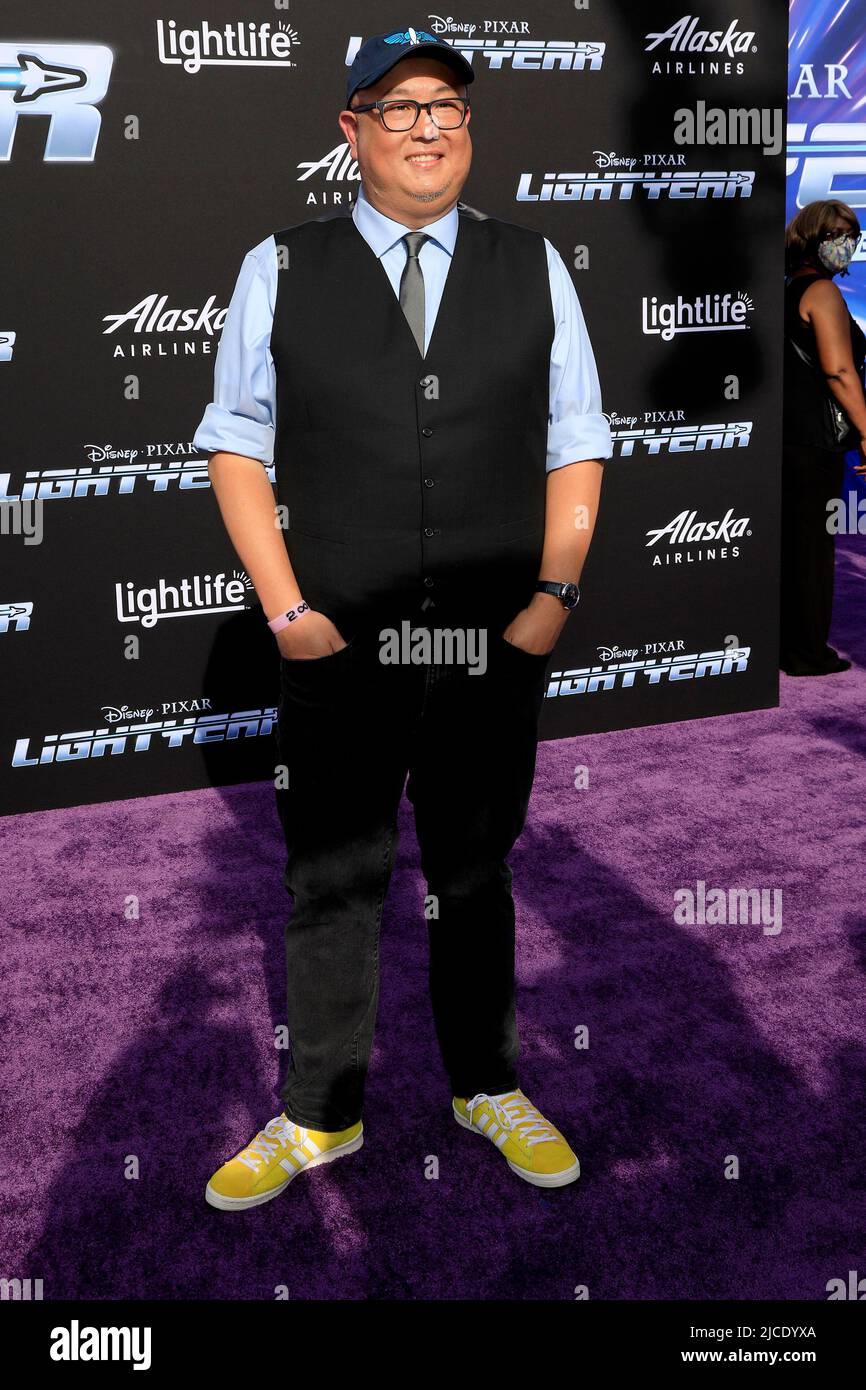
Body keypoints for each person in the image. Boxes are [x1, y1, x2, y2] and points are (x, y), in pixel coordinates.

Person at [193, 24, 612, 1208]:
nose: (429, 126)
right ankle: (318, 1112)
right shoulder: (278, 263)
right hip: (339, 644)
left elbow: (575, 441)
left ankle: (487, 1085)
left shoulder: (532, 264)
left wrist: (549, 600)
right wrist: (287, 612)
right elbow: (235, 445)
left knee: (474, 872)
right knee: (331, 878)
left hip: (490, 643)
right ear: (351, 129)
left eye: (449, 107)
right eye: (400, 105)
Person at [781, 199, 866, 675]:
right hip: (813, 443)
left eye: (852, 233)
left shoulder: (790, 287)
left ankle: (789, 644)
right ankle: (807, 652)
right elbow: (839, 371)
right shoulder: (824, 294)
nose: (846, 242)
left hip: (790, 440)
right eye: (837, 233)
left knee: (795, 547)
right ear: (813, 237)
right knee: (812, 552)